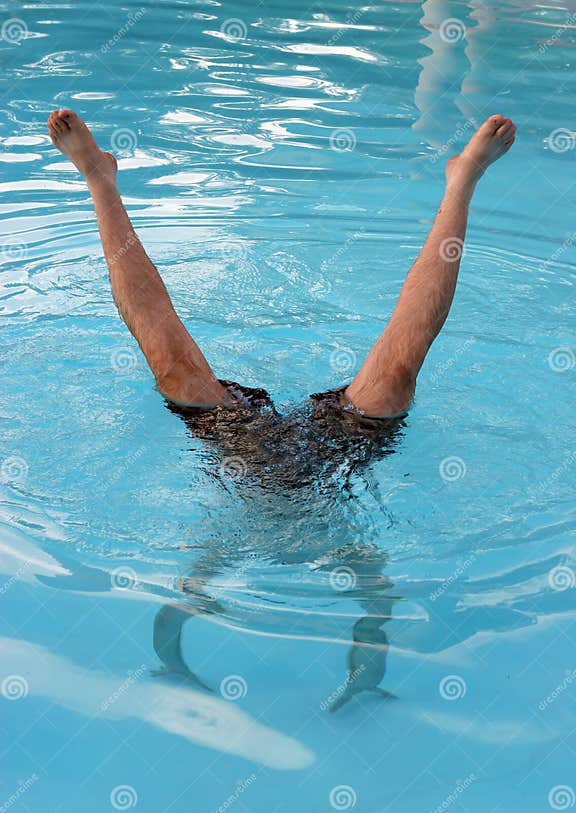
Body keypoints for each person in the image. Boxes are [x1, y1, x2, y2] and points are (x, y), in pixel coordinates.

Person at [46, 110, 516, 472]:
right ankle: (462, 182)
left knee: (173, 371)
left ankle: (98, 180)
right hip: (336, 454)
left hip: (242, 448)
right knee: (395, 377)